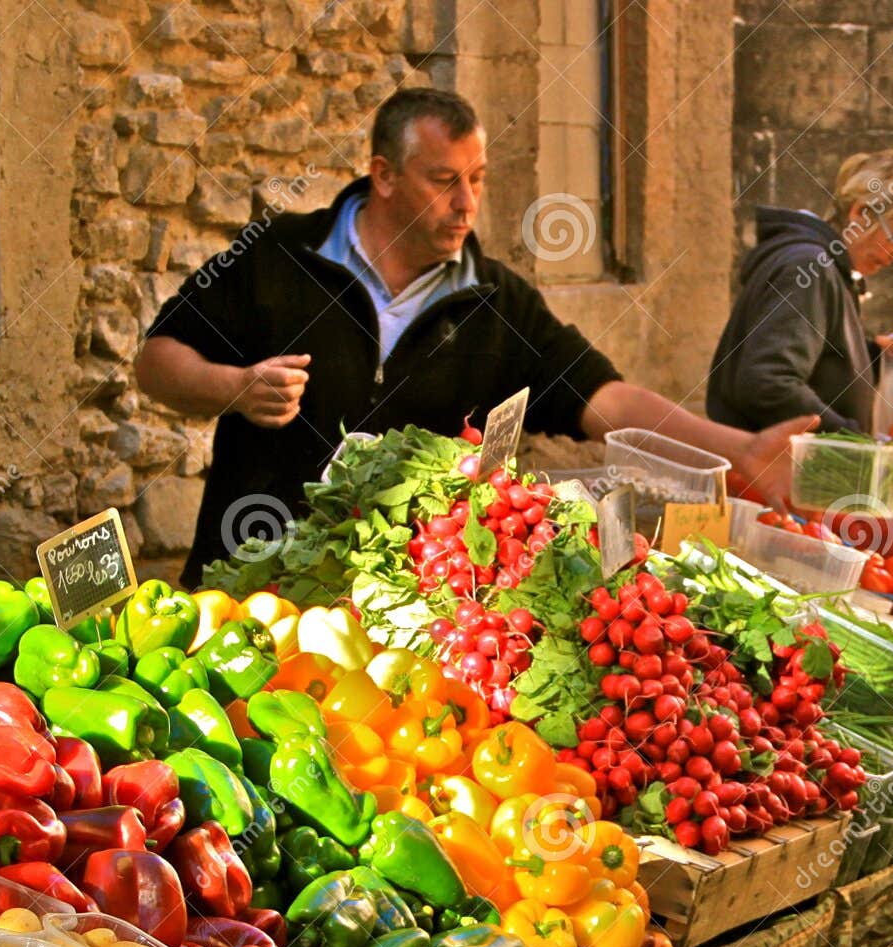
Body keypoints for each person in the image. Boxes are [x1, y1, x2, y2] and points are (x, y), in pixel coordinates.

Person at [136, 88, 814, 586]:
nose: (467, 203)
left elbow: (605, 397)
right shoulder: (279, 254)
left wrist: (737, 450)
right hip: (242, 588)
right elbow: (157, 360)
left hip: (388, 620)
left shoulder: (496, 301)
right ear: (384, 176)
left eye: (477, 180)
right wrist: (234, 387)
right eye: (444, 181)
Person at [706, 151, 893, 436]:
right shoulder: (810, 268)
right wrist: (856, 444)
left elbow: (817, 367)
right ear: (860, 214)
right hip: (770, 473)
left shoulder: (826, 269)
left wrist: (879, 358)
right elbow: (768, 381)